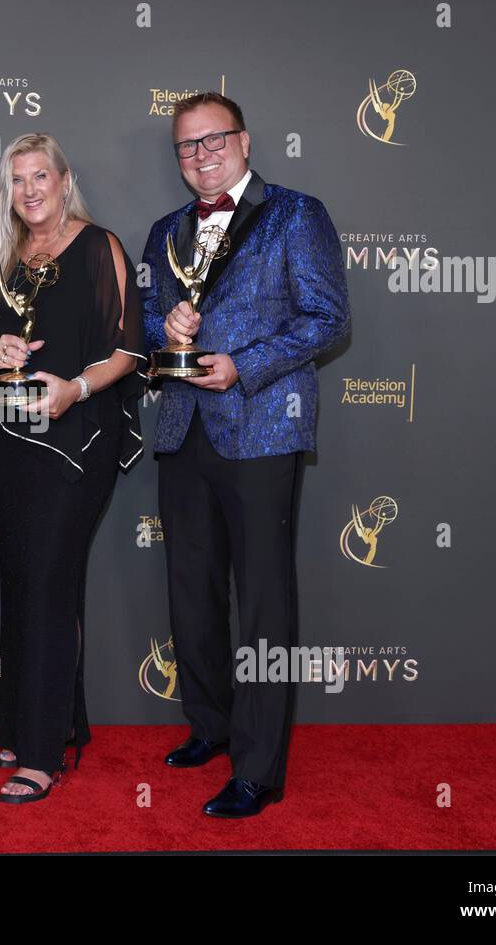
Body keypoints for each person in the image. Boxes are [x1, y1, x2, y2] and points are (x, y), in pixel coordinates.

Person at [140, 92, 350, 818]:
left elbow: (328, 317)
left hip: (262, 426)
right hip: (181, 429)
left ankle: (260, 767)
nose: (200, 155)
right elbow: (144, 320)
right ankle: (212, 726)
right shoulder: (165, 231)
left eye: (213, 140)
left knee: (262, 603)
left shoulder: (298, 213)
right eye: (186, 146)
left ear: (245, 140)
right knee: (191, 592)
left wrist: (244, 363)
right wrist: (165, 326)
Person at [0, 133, 145, 804]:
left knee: (47, 581)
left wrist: (74, 387)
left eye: (41, 175)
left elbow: (127, 351)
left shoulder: (102, 247)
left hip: (80, 438)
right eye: (18, 179)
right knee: (22, 578)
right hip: (10, 439)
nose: (30, 189)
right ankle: (37, 719)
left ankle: (42, 754)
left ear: (66, 180)